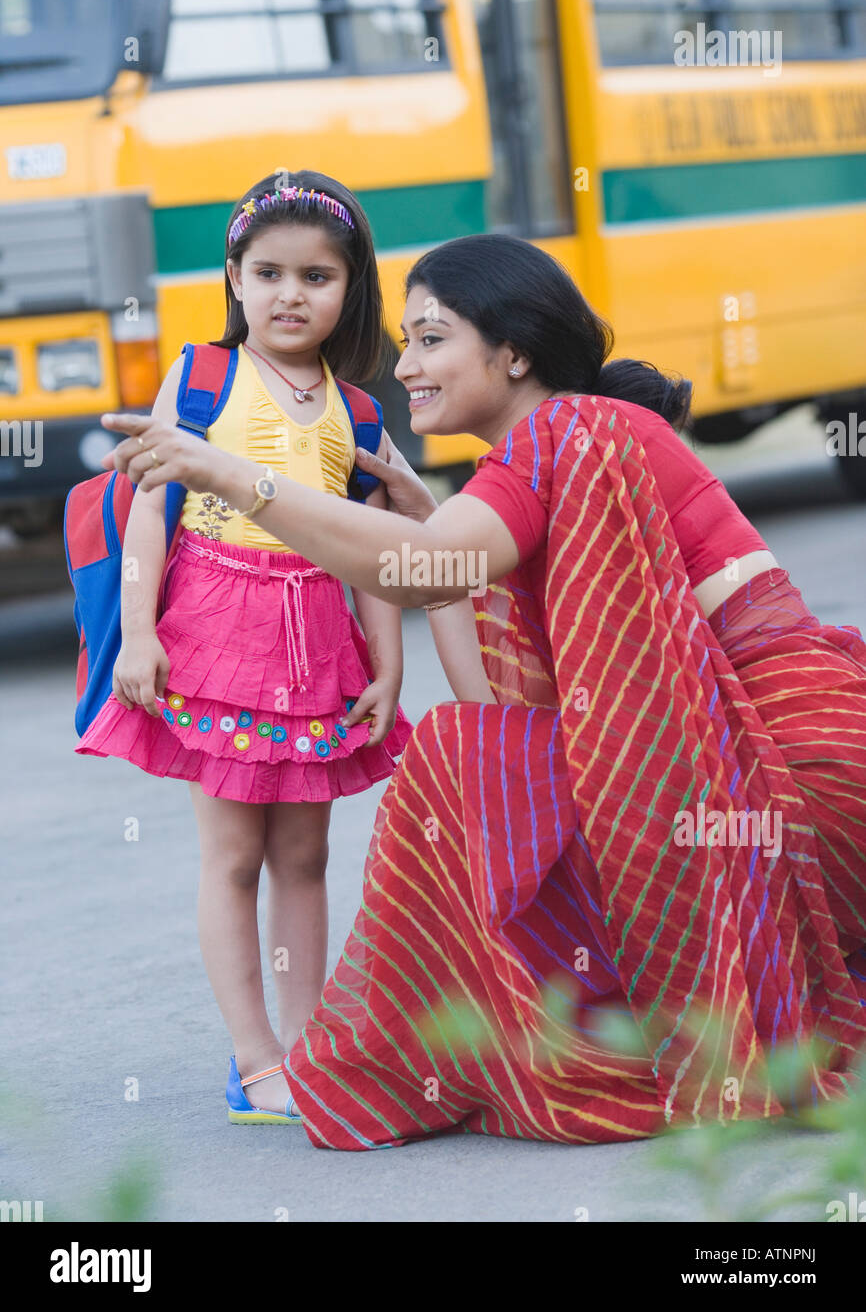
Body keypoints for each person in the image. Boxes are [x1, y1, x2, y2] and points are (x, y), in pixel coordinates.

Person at [98, 233, 866, 1148]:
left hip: (787, 777)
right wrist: (429, 525)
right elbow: (497, 706)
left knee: (449, 762)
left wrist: (229, 473)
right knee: (469, 749)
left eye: (429, 340)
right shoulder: (560, 449)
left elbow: (423, 574)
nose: (405, 366)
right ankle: (565, 1016)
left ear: (513, 353)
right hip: (798, 769)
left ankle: (494, 1046)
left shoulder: (566, 434)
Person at [76, 172, 414, 1124]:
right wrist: (138, 631)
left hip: (320, 647)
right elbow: (150, 508)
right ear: (234, 279)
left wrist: (387, 665)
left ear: (352, 288)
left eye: (316, 276)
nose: (290, 295)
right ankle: (256, 1059)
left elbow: (374, 551)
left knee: (305, 856)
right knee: (231, 855)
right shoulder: (201, 377)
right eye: (266, 273)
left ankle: (310, 1054)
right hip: (215, 634)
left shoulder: (363, 412)